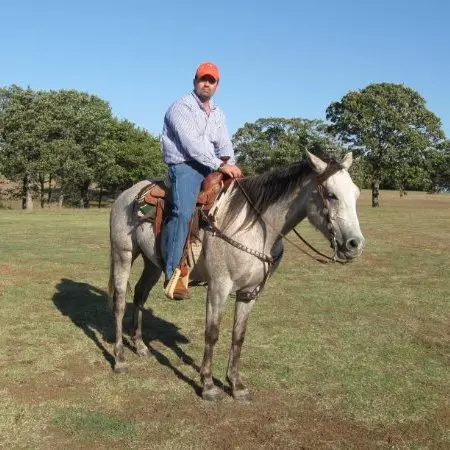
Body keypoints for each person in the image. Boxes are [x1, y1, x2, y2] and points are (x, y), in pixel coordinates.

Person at [161, 62, 242, 300]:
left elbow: (224, 143)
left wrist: (230, 163)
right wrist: (220, 164)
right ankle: (173, 273)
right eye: (202, 79)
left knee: (238, 202)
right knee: (184, 212)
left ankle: (228, 266)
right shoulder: (181, 107)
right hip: (185, 165)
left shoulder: (218, 113)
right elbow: (191, 145)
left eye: (212, 80)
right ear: (195, 80)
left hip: (211, 166)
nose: (206, 84)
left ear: (217, 85)